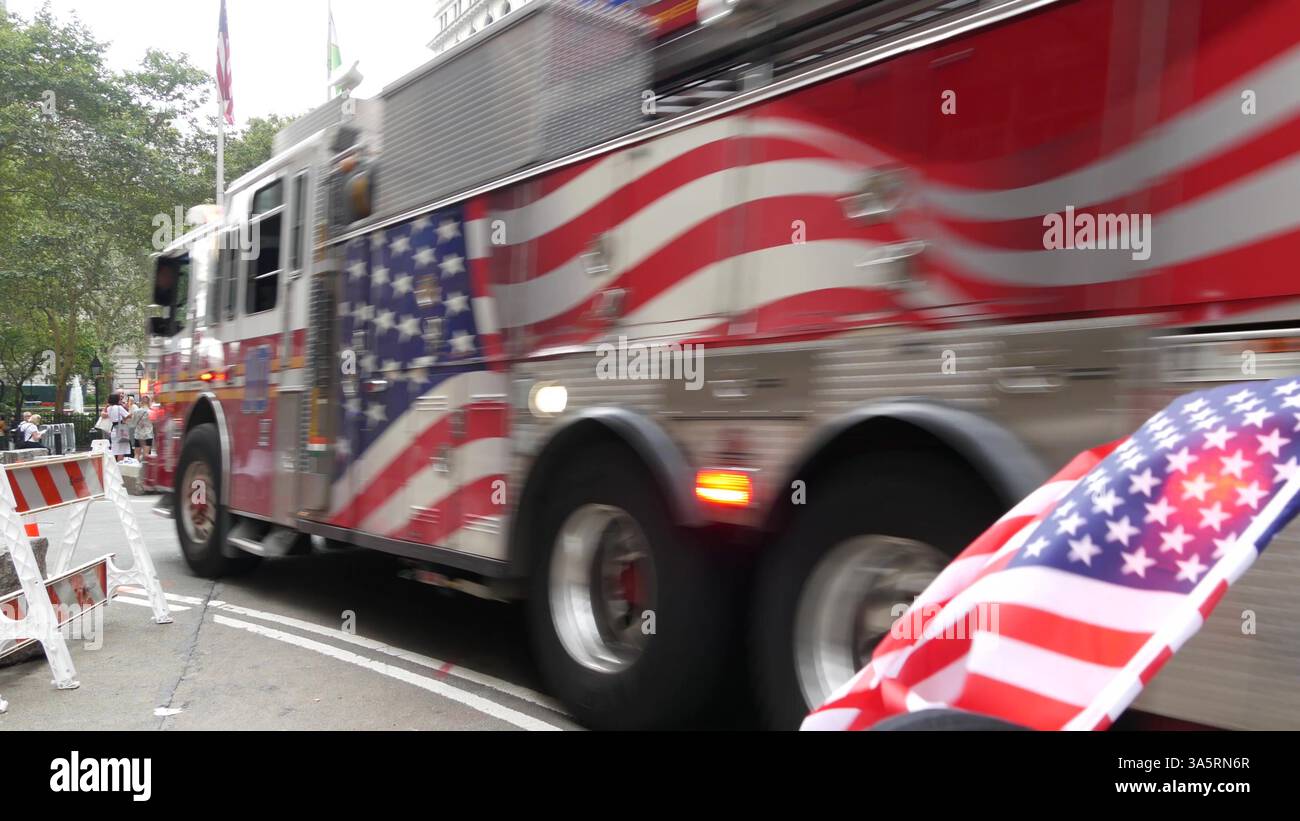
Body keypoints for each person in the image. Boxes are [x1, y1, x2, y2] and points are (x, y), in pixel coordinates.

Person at [101, 393, 131, 462]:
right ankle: (120, 467)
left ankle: (114, 466)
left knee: (114, 450)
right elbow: (127, 415)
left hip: (113, 430)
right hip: (121, 429)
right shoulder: (119, 407)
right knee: (121, 451)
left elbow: (105, 415)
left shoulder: (109, 408)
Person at [132, 394, 155, 459]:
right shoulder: (151, 412)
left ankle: (135, 468)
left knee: (137, 454)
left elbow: (133, 423)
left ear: (141, 401)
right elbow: (153, 422)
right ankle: (144, 468)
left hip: (138, 434)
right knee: (146, 455)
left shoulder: (136, 411)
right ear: (149, 401)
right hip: (148, 434)